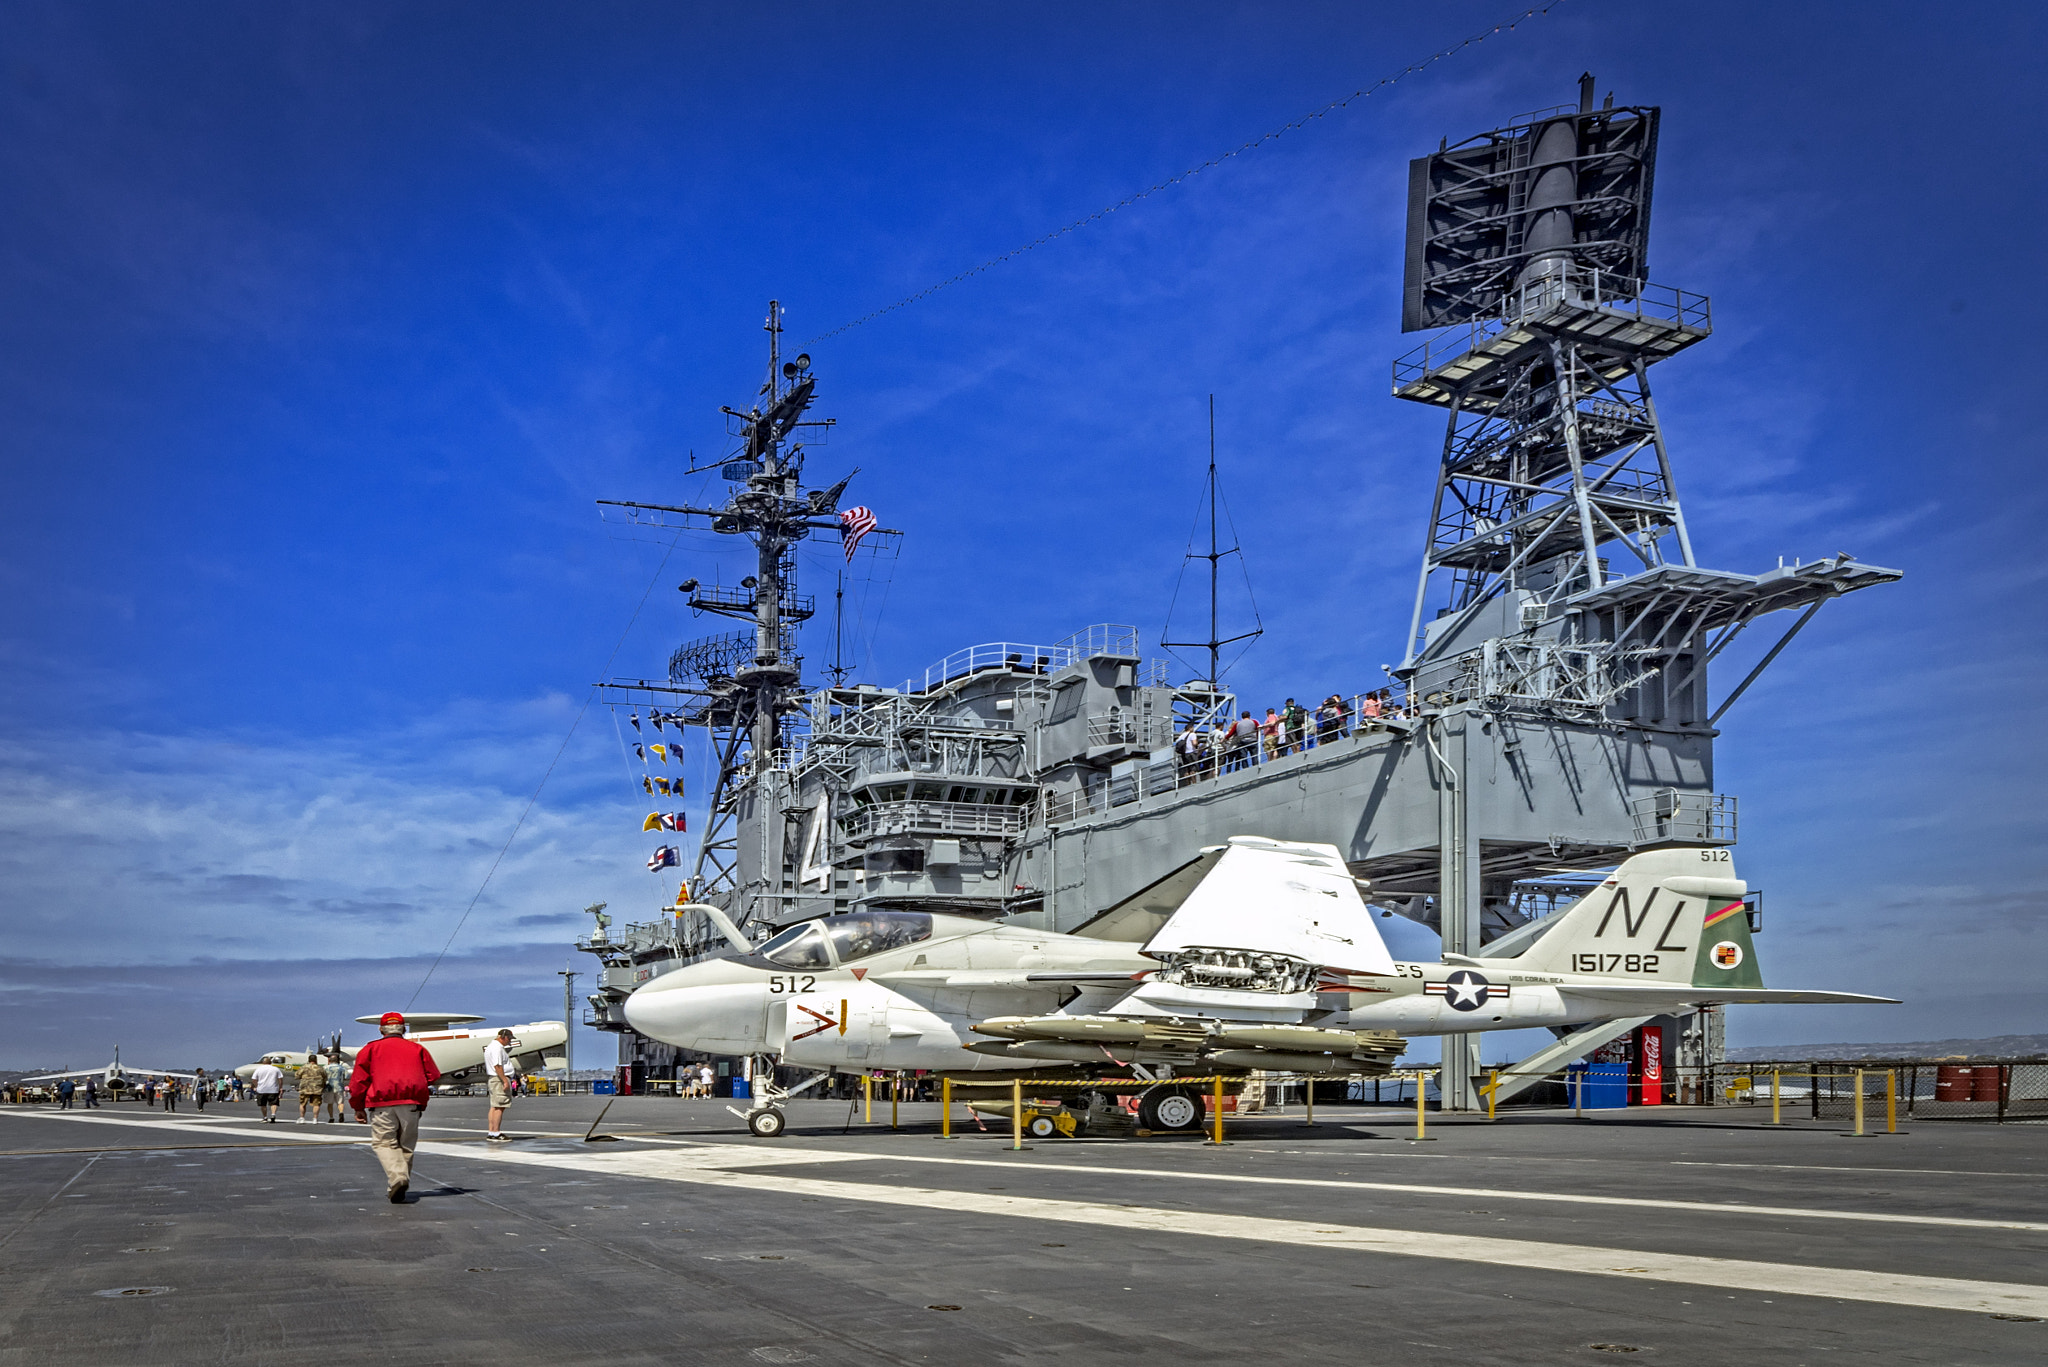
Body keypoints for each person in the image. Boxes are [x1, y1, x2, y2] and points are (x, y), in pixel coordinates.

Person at [349, 1011, 441, 1202]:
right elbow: (433, 1075)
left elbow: (358, 1081)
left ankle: (398, 1178)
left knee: (384, 1143)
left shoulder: (370, 1049)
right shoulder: (417, 1049)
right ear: (403, 1029)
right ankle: (397, 1184)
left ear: (381, 1029)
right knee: (406, 1146)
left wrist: (357, 1106)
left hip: (381, 1102)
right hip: (411, 1104)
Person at [482, 1028, 519, 1141]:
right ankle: (496, 1132)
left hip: (494, 1078)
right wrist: (504, 1080)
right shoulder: (497, 1048)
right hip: (499, 1079)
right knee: (500, 1106)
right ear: (503, 1037)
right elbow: (498, 1066)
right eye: (508, 1039)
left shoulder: (491, 1047)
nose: (509, 1041)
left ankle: (492, 1131)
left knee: (494, 1106)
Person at [249, 1059, 284, 1123]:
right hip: (273, 1089)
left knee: (263, 1104)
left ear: (263, 1062)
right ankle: (273, 1115)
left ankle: (265, 1117)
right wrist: (280, 1087)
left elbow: (254, 1079)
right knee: (274, 1103)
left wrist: (257, 1086)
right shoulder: (276, 1069)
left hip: (261, 1090)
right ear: (270, 1062)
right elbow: (280, 1079)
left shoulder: (259, 1069)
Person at [296, 1058, 327, 1124]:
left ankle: (302, 1118)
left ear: (309, 1060)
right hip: (317, 1088)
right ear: (316, 1060)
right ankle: (315, 1119)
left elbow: (297, 1075)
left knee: (302, 1104)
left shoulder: (304, 1067)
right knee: (316, 1104)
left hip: (305, 1088)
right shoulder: (320, 1068)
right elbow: (325, 1077)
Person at [322, 1054, 349, 1123]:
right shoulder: (342, 1068)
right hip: (339, 1086)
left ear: (329, 1060)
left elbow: (322, 1077)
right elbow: (347, 1076)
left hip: (329, 1087)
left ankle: (331, 1117)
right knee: (340, 1102)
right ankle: (341, 1112)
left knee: (330, 1103)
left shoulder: (325, 1068)